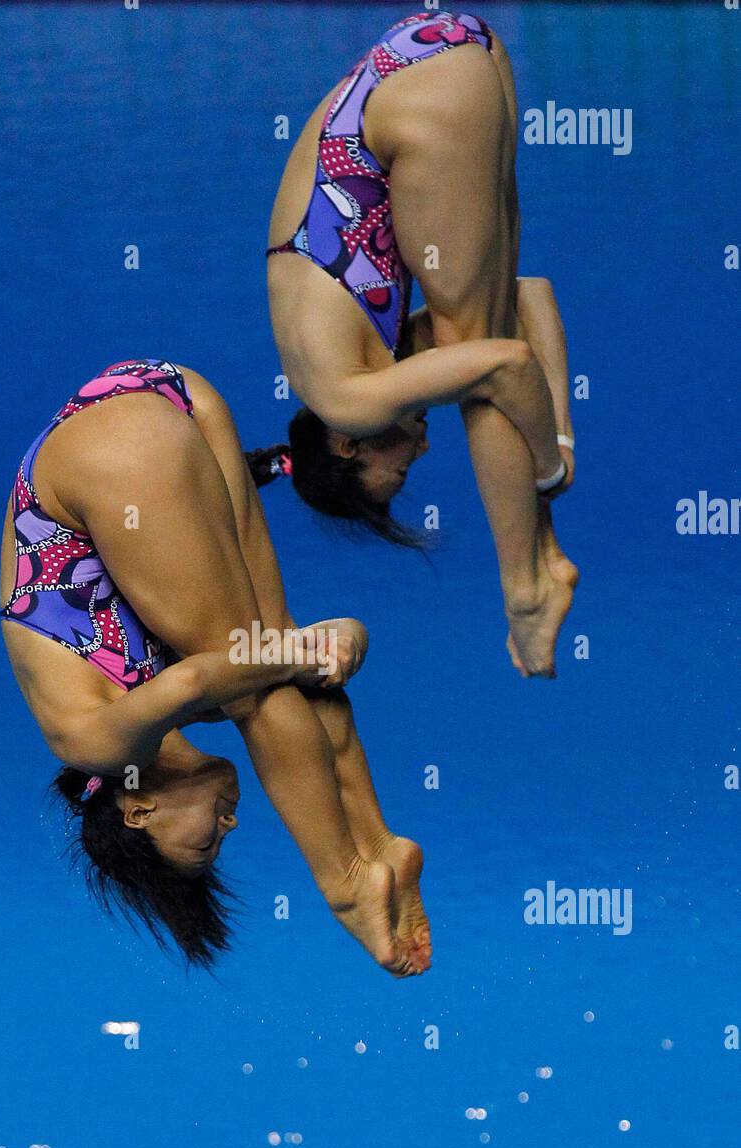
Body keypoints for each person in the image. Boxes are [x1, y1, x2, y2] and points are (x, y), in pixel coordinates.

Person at [0, 357, 430, 974]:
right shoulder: (168, 716)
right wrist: (340, 640)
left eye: (207, 840)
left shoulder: (93, 743)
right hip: (166, 394)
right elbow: (276, 660)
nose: (229, 822)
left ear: (138, 809)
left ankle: (347, 883)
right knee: (269, 657)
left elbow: (202, 676)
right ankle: (381, 842)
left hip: (108, 450)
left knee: (254, 692)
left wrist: (295, 656)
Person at [266, 11, 578, 678]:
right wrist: (565, 440)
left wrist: (548, 472)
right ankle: (539, 559)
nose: (422, 449)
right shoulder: (360, 356)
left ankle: (524, 590)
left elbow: (510, 365)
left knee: (477, 358)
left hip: (422, 97)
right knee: (479, 333)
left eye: (400, 471)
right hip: (443, 46)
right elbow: (534, 300)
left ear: (347, 445)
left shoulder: (349, 399)